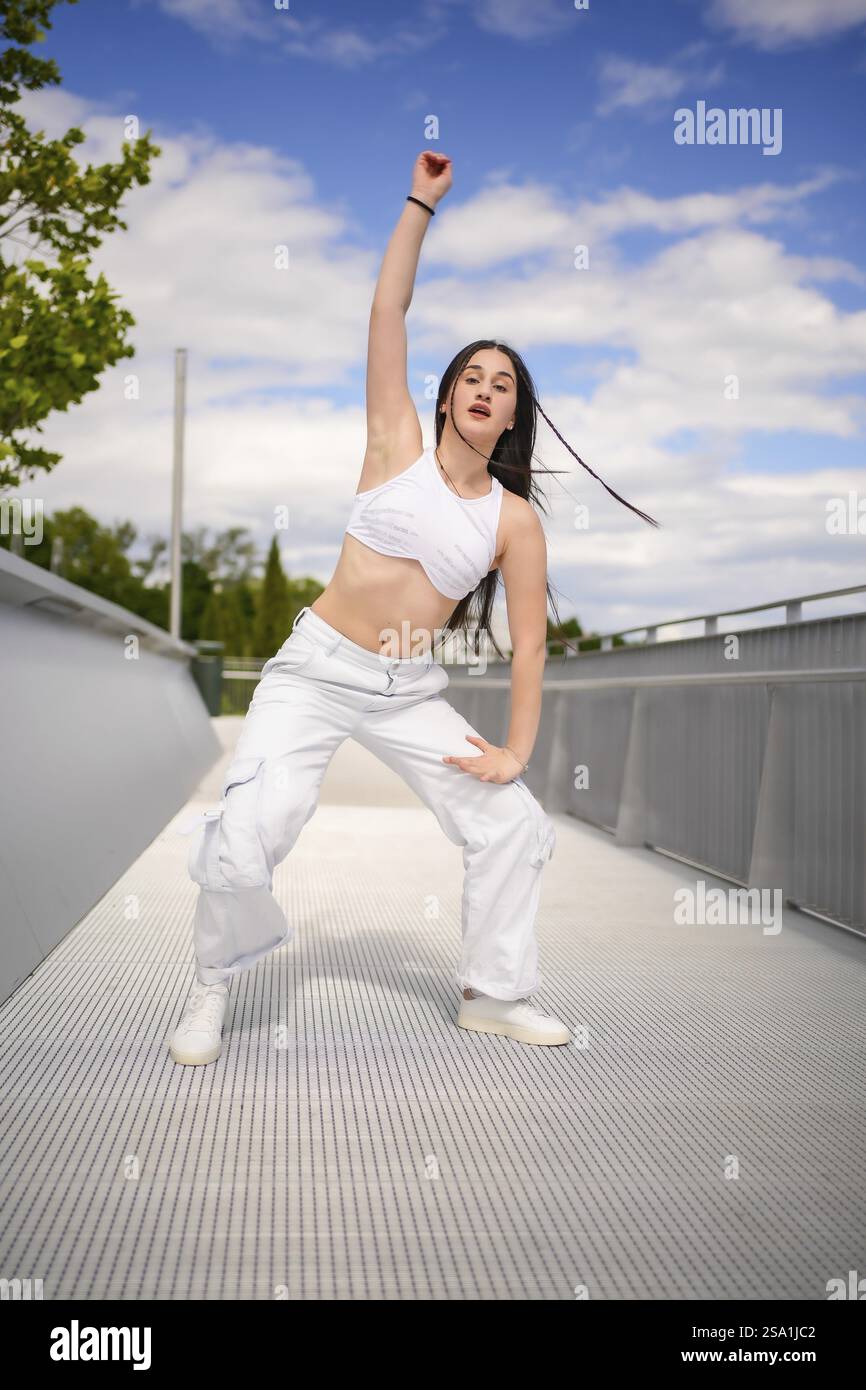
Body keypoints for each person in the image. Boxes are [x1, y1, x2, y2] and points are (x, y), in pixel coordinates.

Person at [169, 152, 658, 1065]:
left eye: (503, 383)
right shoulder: (393, 439)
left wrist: (516, 751)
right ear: (444, 396)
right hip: (315, 671)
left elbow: (528, 651)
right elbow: (387, 309)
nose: (484, 387)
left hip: (405, 689)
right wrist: (419, 204)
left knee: (514, 826)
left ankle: (495, 996)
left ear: (514, 416)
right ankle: (209, 989)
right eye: (472, 374)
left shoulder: (514, 522)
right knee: (250, 827)